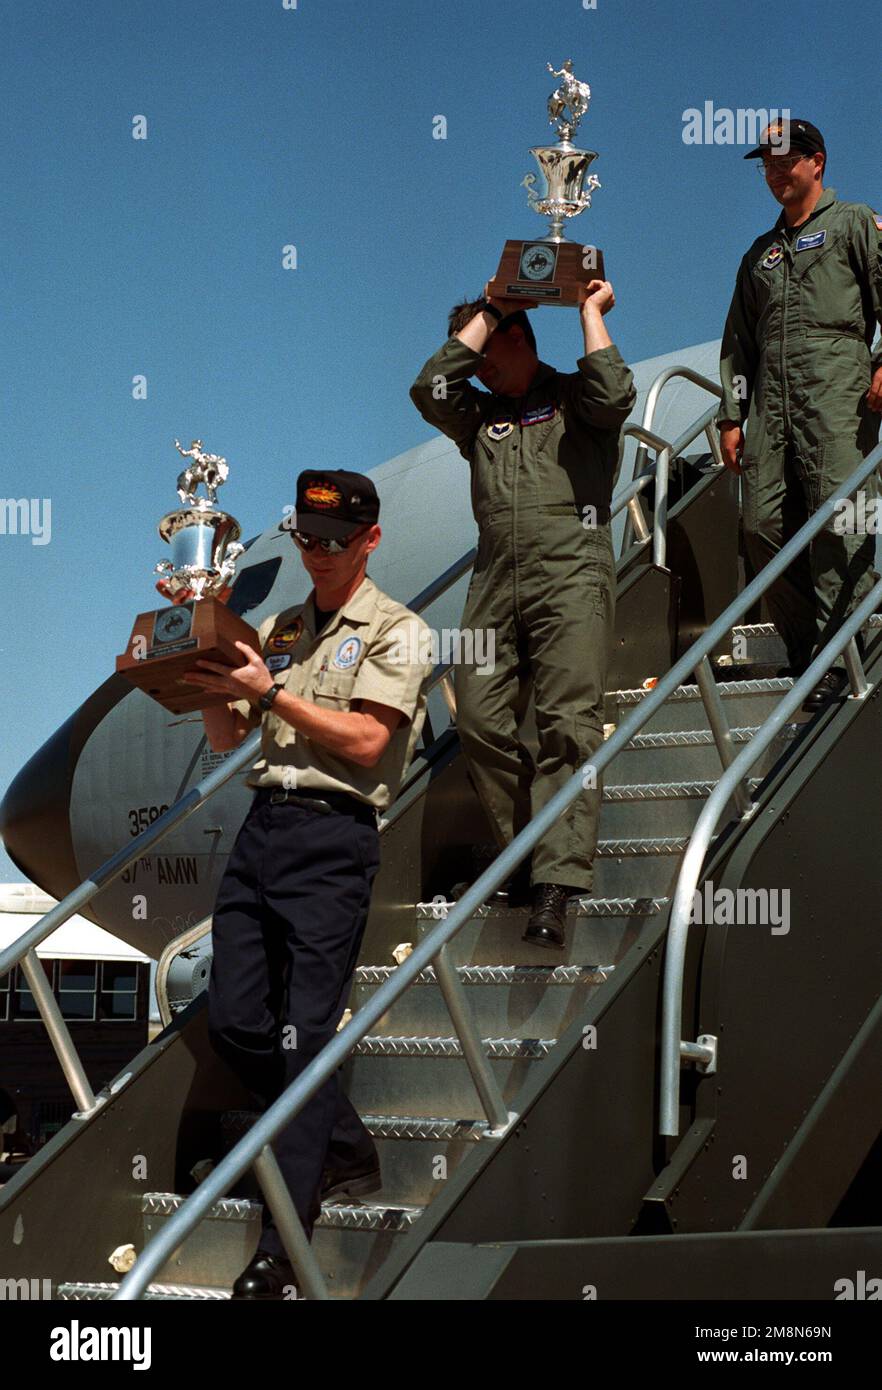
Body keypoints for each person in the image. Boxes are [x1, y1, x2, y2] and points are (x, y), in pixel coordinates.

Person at [182, 468, 432, 1299]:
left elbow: (366, 743)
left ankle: (283, 1251)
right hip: (264, 832)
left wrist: (275, 693)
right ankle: (346, 1145)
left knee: (305, 1035)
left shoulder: (398, 629)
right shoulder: (282, 626)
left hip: (332, 837)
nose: (318, 556)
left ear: (370, 540)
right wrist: (209, 665)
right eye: (307, 541)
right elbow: (229, 737)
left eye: (334, 543)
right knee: (238, 1020)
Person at [410, 279, 636, 948]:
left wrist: (590, 313)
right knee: (477, 716)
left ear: (520, 343)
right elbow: (430, 391)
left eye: (487, 353)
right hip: (494, 579)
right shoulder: (478, 417)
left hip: (571, 569)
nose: (478, 369)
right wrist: (490, 310)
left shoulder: (576, 400)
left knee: (568, 723)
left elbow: (617, 392)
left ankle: (554, 883)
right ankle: (527, 850)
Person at [717, 118, 882, 711]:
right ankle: (808, 646)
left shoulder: (854, 223)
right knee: (760, 525)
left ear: (818, 162)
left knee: (842, 516)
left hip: (838, 389)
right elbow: (738, 342)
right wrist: (731, 416)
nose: (775, 170)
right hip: (770, 401)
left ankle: (847, 651)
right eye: (766, 162)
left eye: (786, 159)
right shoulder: (758, 256)